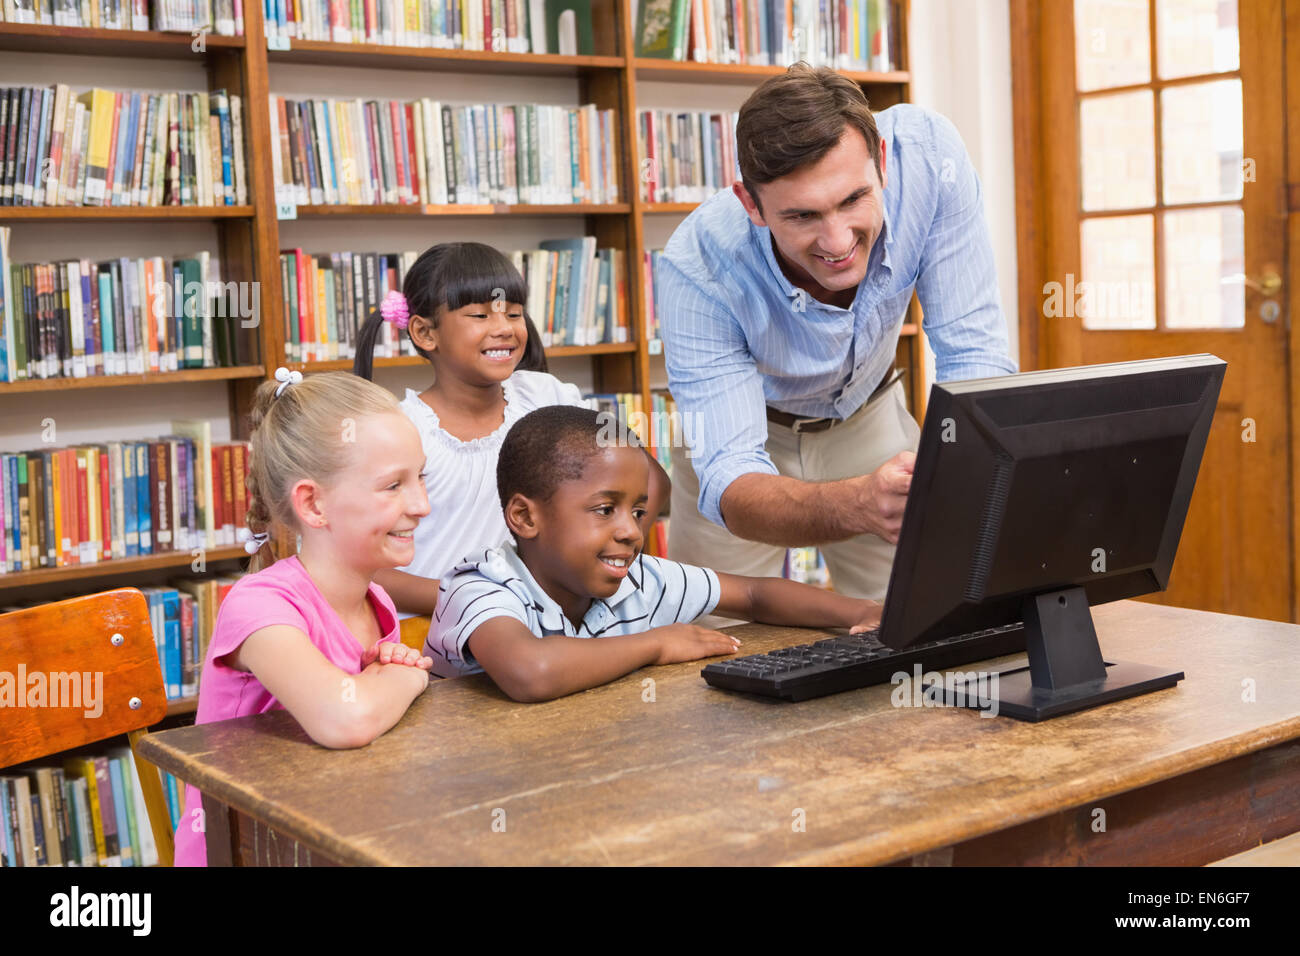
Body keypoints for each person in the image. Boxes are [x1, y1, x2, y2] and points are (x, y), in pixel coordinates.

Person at [657, 64, 1017, 600]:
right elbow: (732, 476)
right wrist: (855, 504)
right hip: (753, 435)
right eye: (803, 216)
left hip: (871, 420)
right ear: (751, 204)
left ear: (882, 160)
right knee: (715, 638)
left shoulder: (930, 158)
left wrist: (967, 468)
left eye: (852, 200)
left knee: (927, 614)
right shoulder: (699, 266)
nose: (837, 240)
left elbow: (973, 352)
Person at [425, 405, 883, 702]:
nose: (631, 531)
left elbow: (752, 595)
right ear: (525, 518)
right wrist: (656, 643)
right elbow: (531, 671)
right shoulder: (481, 586)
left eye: (640, 510)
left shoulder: (640, 580)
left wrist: (861, 610)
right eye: (605, 509)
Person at [172, 370, 433, 866]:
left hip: (325, 835)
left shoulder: (375, 600)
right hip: (244, 852)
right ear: (313, 504)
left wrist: (388, 678)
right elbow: (347, 718)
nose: (421, 504)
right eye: (393, 485)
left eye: (421, 478)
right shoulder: (259, 605)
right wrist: (406, 677)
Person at [352, 242, 669, 625]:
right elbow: (363, 565)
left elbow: (652, 479)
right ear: (424, 332)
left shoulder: (546, 397)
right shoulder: (400, 429)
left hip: (547, 623)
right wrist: (483, 600)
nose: (504, 329)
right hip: (431, 632)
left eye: (514, 314)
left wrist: (611, 554)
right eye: (480, 315)